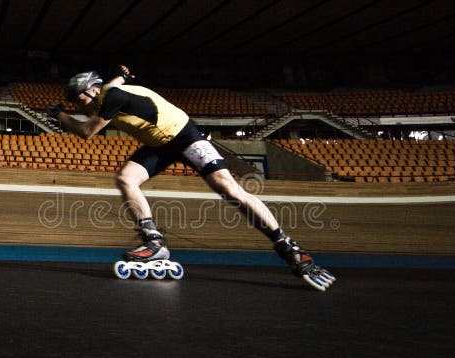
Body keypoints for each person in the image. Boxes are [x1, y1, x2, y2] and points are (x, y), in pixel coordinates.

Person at [47, 66, 334, 291]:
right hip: (161, 144)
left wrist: (61, 116)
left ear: (94, 91)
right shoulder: (106, 91)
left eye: (79, 99)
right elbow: (116, 81)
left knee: (229, 189)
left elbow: (86, 132)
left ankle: (289, 248)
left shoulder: (111, 97)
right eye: (74, 102)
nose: (78, 104)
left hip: (185, 136)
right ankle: (155, 242)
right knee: (126, 179)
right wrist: (122, 75)